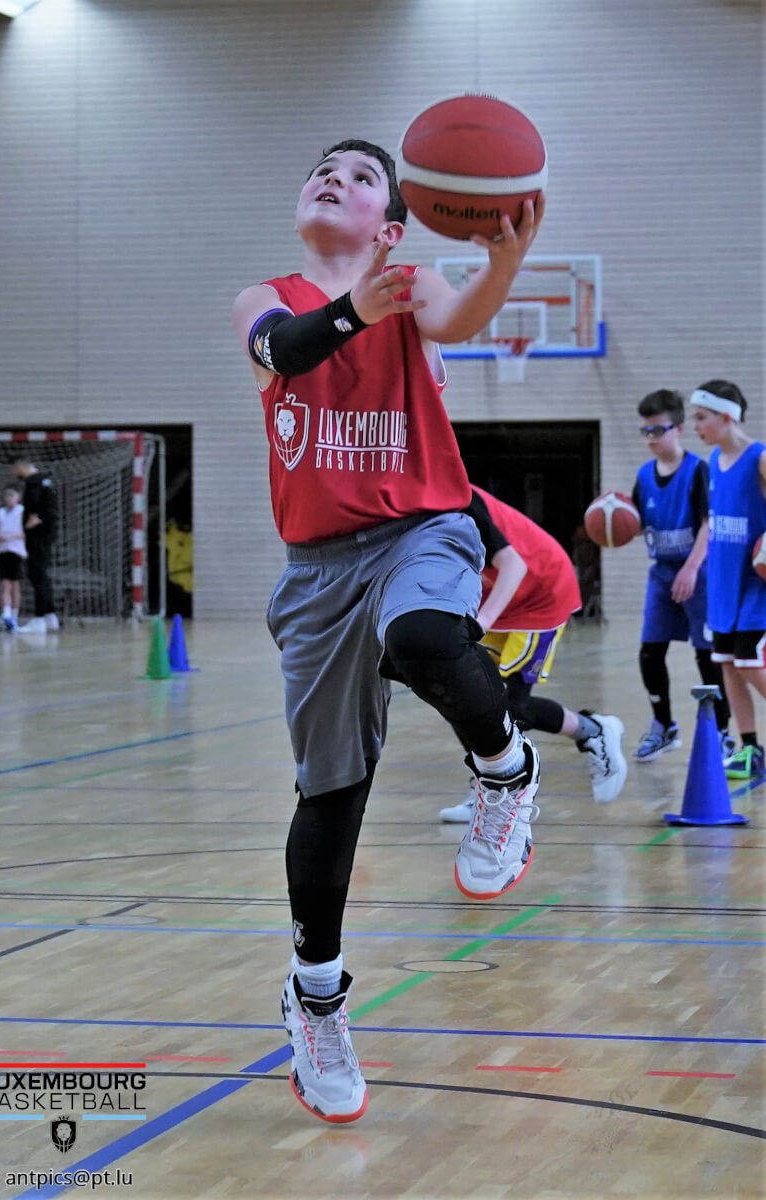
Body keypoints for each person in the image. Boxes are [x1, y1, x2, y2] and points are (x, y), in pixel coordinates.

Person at [232, 138, 545, 1123]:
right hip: (317, 568)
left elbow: (462, 316)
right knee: (330, 790)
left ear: (394, 226)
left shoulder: (413, 286)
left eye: (363, 177)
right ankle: (315, 998)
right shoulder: (262, 297)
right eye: (321, 169)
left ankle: (507, 770)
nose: (336, 178)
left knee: (420, 638)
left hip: (421, 525)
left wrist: (502, 260)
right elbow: (281, 348)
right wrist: (347, 312)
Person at [439, 486, 627, 821]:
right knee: (465, 697)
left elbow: (513, 566)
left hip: (542, 591)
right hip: (498, 596)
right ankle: (489, 787)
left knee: (510, 708)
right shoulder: (399, 507)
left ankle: (593, 730)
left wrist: (480, 622)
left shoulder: (456, 499)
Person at [631, 389, 733, 762]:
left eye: (658, 430)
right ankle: (663, 727)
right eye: (646, 432)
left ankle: (722, 734)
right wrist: (609, 523)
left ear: (679, 429)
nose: (652, 438)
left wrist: (691, 568)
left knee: (707, 656)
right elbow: (635, 525)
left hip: (700, 573)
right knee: (649, 653)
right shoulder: (643, 476)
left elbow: (710, 523)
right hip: (661, 575)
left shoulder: (697, 469)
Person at [691, 380, 766, 779]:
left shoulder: (759, 458)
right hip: (722, 583)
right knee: (729, 667)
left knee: (751, 664)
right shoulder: (712, 465)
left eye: (701, 418)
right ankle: (751, 748)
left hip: (756, 585)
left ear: (727, 416)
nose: (695, 426)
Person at [11, 456, 59, 633]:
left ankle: (39, 618)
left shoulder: (33, 483)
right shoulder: (47, 481)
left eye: (15, 469)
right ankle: (50, 615)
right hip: (46, 536)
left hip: (38, 537)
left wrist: (34, 519)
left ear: (20, 467)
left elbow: (37, 507)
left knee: (37, 574)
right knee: (42, 574)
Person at [0, 484, 27, 632]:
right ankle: (6, 615)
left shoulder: (22, 511)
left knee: (14, 584)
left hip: (16, 551)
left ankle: (14, 616)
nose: (9, 498)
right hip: (2, 551)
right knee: (4, 584)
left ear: (18, 497)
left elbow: (25, 533)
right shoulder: (0, 512)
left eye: (12, 495)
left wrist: (10, 536)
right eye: (7, 495)